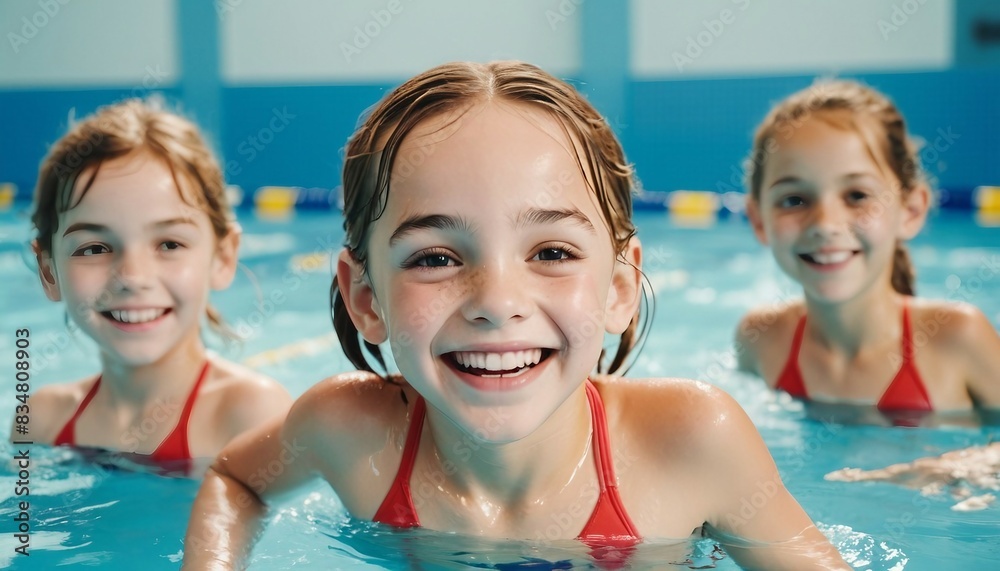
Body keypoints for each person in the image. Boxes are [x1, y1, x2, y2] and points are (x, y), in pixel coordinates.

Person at [182, 61, 846, 569]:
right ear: (366, 299)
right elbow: (235, 478)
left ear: (618, 286)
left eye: (551, 251)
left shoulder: (689, 444)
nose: (497, 302)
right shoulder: (347, 431)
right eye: (435, 258)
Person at [17, 99, 292, 467]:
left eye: (169, 244)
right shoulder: (42, 421)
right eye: (94, 248)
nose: (132, 277)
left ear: (223, 257)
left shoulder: (249, 415)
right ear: (49, 272)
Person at [736, 80, 1000, 421]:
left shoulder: (957, 337)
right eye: (794, 199)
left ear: (911, 210)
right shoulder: (761, 340)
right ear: (758, 220)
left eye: (857, 196)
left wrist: (951, 467)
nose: (826, 223)